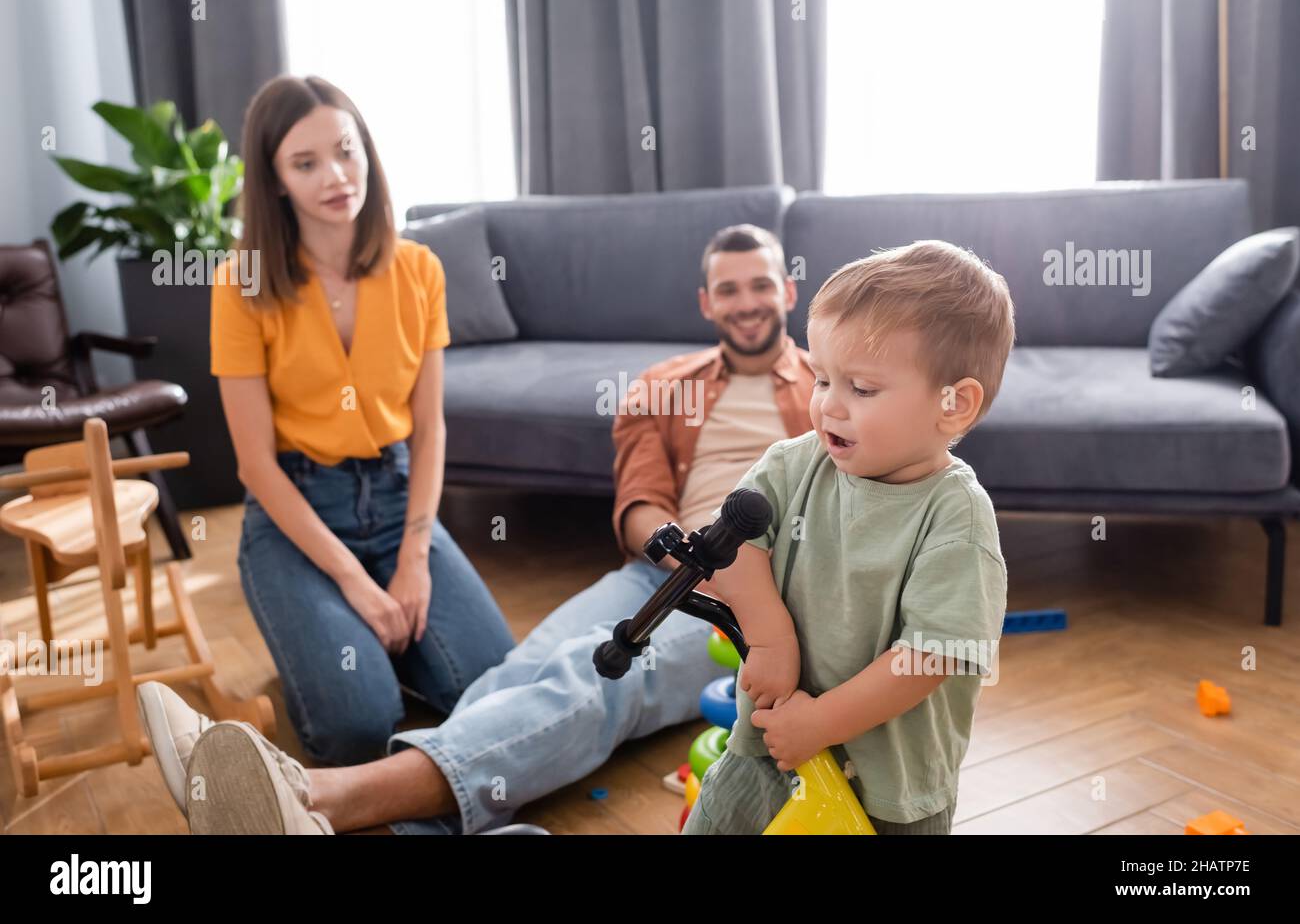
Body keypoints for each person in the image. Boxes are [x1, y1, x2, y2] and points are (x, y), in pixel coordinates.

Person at [140, 224, 818, 834]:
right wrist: (678, 549)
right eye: (728, 288)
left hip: (754, 600)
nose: (747, 300)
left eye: (761, 283)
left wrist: (745, 576)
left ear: (787, 288)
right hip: (665, 565)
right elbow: (639, 503)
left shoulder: (831, 387)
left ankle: (320, 797)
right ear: (707, 304)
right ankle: (411, 816)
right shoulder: (664, 384)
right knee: (528, 662)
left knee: (608, 680)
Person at [203, 73, 516, 773]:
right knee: (357, 727)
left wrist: (411, 563)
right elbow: (255, 464)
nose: (336, 176)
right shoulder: (242, 283)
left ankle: (371, 653)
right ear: (275, 180)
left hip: (400, 500)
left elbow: (429, 430)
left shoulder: (419, 270)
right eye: (305, 163)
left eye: (346, 151)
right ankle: (343, 657)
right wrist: (352, 581)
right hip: (295, 514)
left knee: (499, 691)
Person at [683, 240, 1014, 835]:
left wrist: (821, 724)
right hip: (764, 748)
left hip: (887, 789)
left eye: (860, 389)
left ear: (954, 404)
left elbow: (927, 657)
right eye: (820, 379)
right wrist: (772, 639)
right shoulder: (793, 464)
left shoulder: (956, 517)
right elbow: (729, 546)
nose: (828, 406)